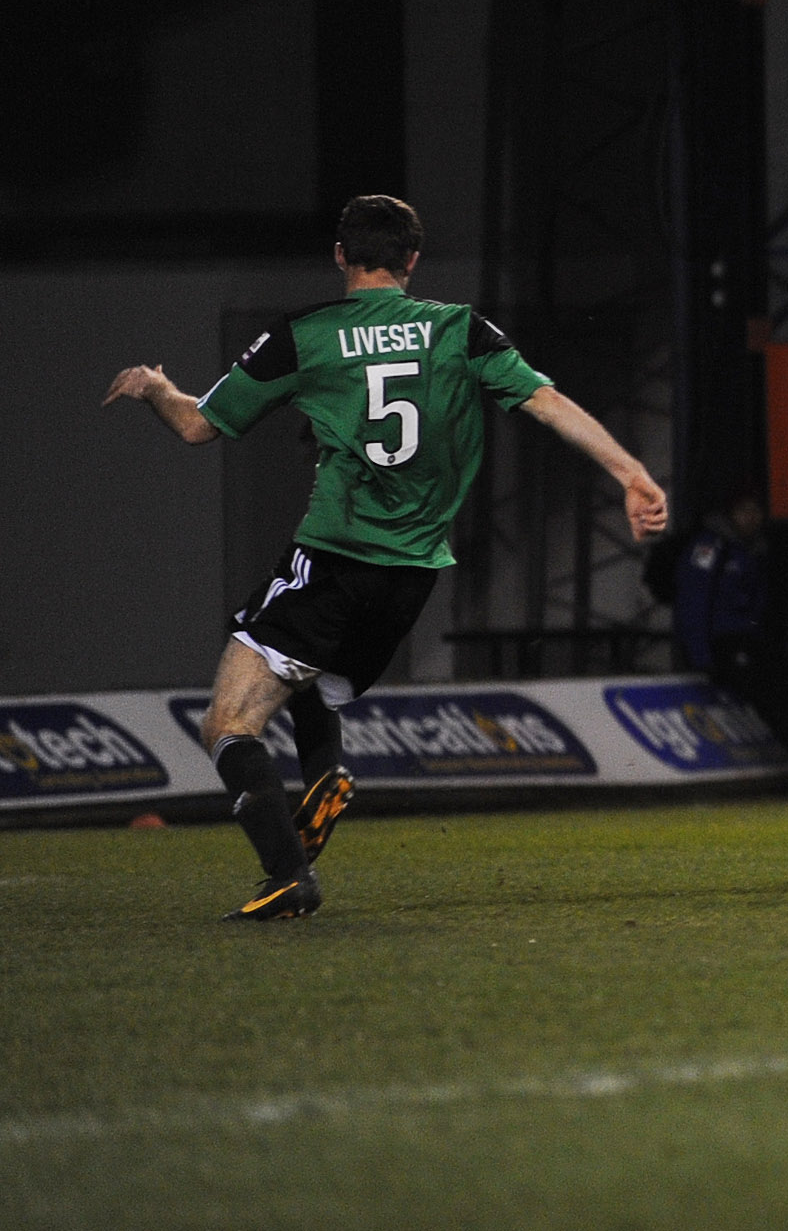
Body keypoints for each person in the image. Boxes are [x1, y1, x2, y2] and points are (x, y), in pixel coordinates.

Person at [103, 195, 669, 921]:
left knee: (228, 723)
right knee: (306, 676)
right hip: (413, 575)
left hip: (335, 556)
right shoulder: (460, 330)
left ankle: (288, 875)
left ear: (341, 256)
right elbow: (548, 403)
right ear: (413, 261)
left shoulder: (305, 336)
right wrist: (631, 474)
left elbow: (197, 425)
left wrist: (155, 388)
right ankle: (325, 770)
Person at [644, 490, 788, 785]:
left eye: (756, 511)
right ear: (730, 515)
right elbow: (694, 604)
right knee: (776, 703)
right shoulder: (710, 546)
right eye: (744, 511)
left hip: (751, 641)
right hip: (724, 645)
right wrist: (702, 657)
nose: (751, 518)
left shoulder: (753, 549)